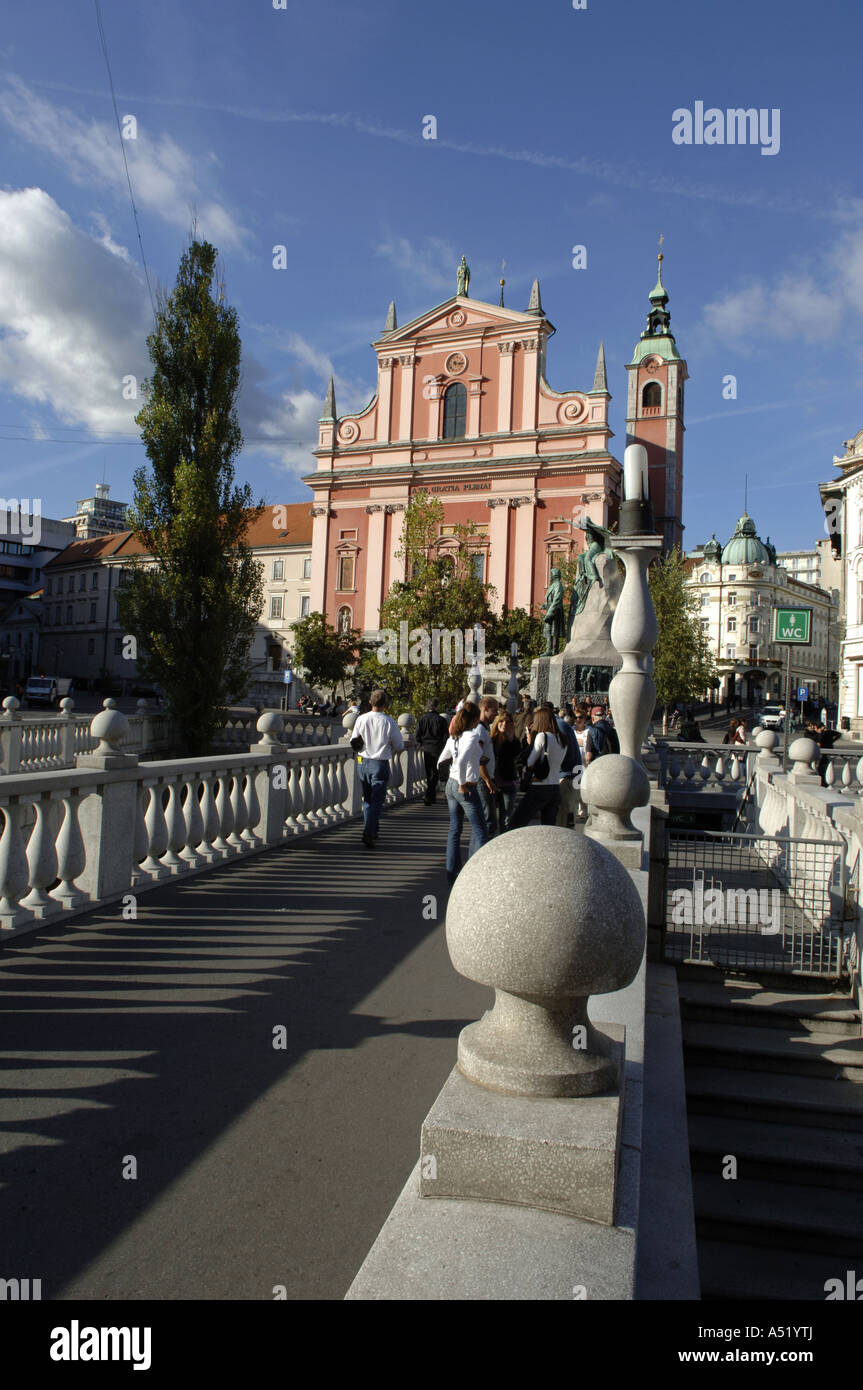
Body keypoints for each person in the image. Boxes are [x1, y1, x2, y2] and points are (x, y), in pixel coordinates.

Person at [438, 702, 489, 885]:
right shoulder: (472, 736)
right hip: (465, 786)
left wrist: (449, 779)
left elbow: (442, 760)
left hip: (451, 785)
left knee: (455, 830)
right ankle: (476, 875)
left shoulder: (454, 737)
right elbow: (461, 762)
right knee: (480, 830)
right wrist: (462, 784)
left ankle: (452, 874)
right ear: (475, 719)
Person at [350, 689, 405, 849]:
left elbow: (354, 740)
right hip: (379, 763)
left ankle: (373, 829)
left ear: (370, 702)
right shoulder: (389, 721)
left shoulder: (361, 719)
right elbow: (399, 745)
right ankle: (368, 832)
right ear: (385, 705)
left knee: (367, 799)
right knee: (377, 801)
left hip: (363, 761)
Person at [507, 706, 567, 828]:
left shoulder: (542, 736)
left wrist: (530, 745)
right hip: (555, 786)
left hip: (540, 786)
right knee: (549, 828)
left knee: (517, 823)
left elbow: (530, 762)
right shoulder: (562, 738)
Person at [472, 697, 499, 842]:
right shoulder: (480, 730)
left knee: (483, 823)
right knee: (487, 822)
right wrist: (488, 780)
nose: (496, 714)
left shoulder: (482, 728)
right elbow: (479, 758)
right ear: (485, 708)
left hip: (484, 778)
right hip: (483, 780)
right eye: (494, 710)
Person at [489, 710, 520, 832]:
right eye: (501, 721)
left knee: (506, 819)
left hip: (508, 782)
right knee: (490, 819)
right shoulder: (491, 739)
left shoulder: (514, 741)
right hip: (491, 783)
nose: (504, 724)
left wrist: (511, 738)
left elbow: (515, 754)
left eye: (507, 722)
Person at [416, 698, 449, 805]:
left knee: (428, 771)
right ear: (436, 706)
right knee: (435, 772)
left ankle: (431, 795)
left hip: (426, 748)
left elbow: (418, 735)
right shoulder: (441, 720)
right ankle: (429, 794)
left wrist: (421, 743)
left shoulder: (422, 719)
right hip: (437, 748)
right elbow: (445, 737)